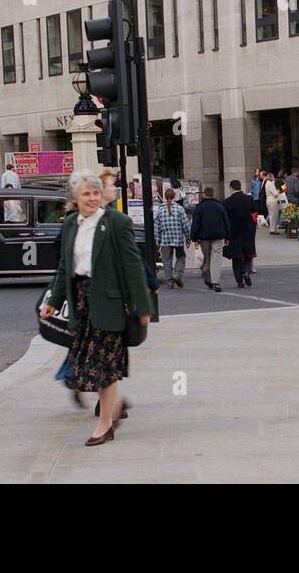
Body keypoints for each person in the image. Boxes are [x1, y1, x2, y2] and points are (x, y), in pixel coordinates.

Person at [42, 171, 153, 446]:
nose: (92, 198)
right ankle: (113, 408)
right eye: (86, 194)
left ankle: (105, 425)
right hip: (81, 303)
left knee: (104, 366)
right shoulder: (71, 223)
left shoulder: (116, 223)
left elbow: (133, 267)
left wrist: (143, 308)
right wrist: (53, 302)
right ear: (75, 198)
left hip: (108, 303)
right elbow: (65, 268)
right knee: (87, 367)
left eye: (95, 193)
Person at [190, 186, 229, 292]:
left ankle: (207, 276)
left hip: (204, 236)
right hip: (218, 235)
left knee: (207, 257)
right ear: (213, 194)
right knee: (216, 257)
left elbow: (196, 223)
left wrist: (194, 237)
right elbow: (226, 221)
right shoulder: (220, 206)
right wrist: (227, 236)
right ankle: (216, 281)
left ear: (204, 194)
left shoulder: (200, 207)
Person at [154, 186, 191, 288]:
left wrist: (157, 241)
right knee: (181, 257)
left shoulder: (159, 210)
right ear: (174, 197)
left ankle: (169, 281)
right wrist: (188, 238)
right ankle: (177, 274)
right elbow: (185, 225)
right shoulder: (179, 209)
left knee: (167, 260)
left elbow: (157, 227)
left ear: (165, 197)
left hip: (165, 240)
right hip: (178, 239)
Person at [224, 179, 257, 287]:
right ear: (240, 187)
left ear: (231, 188)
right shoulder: (249, 198)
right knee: (247, 254)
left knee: (236, 257)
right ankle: (245, 270)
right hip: (248, 230)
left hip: (234, 231)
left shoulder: (227, 202)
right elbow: (254, 210)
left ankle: (239, 280)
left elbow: (225, 218)